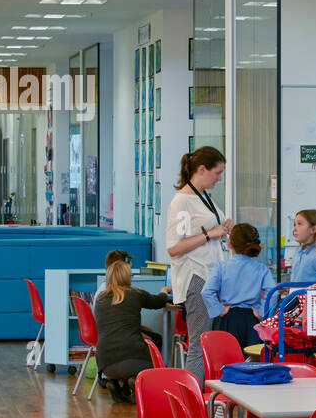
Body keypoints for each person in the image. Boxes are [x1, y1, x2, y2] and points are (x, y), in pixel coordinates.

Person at [166, 146, 232, 383]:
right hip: (197, 277)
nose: (219, 178)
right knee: (199, 341)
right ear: (202, 170)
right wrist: (210, 234)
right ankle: (193, 399)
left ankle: (208, 394)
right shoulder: (182, 201)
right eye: (217, 172)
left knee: (211, 341)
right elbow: (174, 247)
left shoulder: (203, 196)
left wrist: (223, 229)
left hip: (212, 275)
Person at [93, 261, 172, 404]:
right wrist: (165, 290)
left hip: (105, 363)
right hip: (133, 359)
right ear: (127, 277)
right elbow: (158, 302)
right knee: (154, 340)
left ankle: (116, 384)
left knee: (136, 343)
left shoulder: (99, 299)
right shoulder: (134, 294)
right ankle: (137, 382)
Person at [201, 224, 276, 349]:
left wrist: (219, 310)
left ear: (230, 244)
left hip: (228, 318)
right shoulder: (261, 268)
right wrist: (262, 312)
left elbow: (206, 292)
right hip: (252, 318)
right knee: (252, 361)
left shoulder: (221, 267)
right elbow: (273, 293)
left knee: (229, 359)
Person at [290, 210, 316, 284]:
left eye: (299, 224)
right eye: (294, 225)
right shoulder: (298, 252)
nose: (294, 229)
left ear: (314, 229)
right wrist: (289, 288)